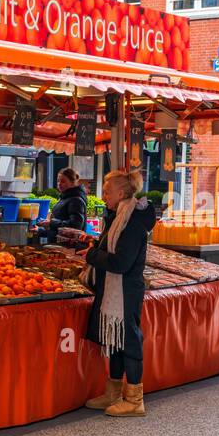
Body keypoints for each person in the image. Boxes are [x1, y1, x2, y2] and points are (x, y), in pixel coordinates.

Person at [83, 169, 156, 417]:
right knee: (114, 340)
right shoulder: (118, 216)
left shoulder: (133, 221)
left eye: (106, 191)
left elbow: (122, 262)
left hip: (126, 292)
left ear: (121, 193)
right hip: (115, 290)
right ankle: (113, 393)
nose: (102, 196)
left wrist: (92, 255)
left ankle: (135, 399)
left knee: (129, 342)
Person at [45, 167, 88, 235]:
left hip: (68, 244)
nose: (59, 183)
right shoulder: (64, 198)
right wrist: (40, 230)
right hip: (58, 242)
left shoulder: (76, 200)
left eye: (63, 181)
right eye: (58, 181)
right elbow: (55, 230)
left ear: (72, 182)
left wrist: (51, 223)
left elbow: (75, 225)